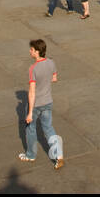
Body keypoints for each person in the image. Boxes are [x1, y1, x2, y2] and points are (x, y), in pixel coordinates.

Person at [19, 39, 64, 170]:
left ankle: (31, 154)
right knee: (49, 128)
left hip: (36, 104)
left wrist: (29, 113)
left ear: (37, 52)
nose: (30, 51)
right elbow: (54, 79)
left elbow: (32, 92)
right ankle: (59, 155)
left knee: (31, 128)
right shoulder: (51, 62)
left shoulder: (33, 68)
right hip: (48, 101)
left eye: (32, 50)